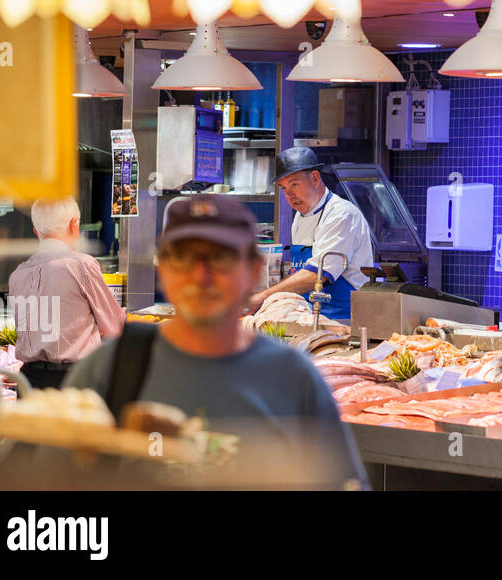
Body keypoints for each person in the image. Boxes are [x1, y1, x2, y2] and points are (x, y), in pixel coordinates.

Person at [64, 194, 365, 488]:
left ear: (254, 270)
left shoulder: (293, 379)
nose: (200, 275)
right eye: (182, 257)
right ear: (163, 269)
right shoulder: (108, 370)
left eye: (220, 257)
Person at [7, 197, 124, 390]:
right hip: (74, 381)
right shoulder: (81, 265)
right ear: (74, 224)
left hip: (29, 382)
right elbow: (115, 325)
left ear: (36, 231)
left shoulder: (18, 274)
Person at [250, 147, 374, 321]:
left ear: (315, 178)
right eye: (284, 188)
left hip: (346, 318)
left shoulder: (342, 214)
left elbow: (316, 274)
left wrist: (262, 297)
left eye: (294, 184)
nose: (289, 195)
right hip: (313, 315)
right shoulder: (300, 217)